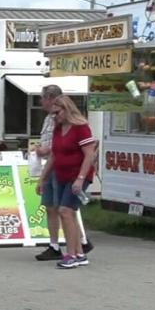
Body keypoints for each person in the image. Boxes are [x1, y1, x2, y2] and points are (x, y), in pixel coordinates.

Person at [37, 95, 97, 269]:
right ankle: (79, 253)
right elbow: (54, 155)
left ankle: (70, 254)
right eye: (53, 113)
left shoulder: (81, 128)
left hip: (78, 175)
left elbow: (89, 155)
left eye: (57, 112)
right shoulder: (58, 129)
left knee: (65, 210)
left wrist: (80, 179)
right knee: (68, 213)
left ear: (67, 109)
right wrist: (43, 178)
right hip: (61, 175)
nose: (55, 116)